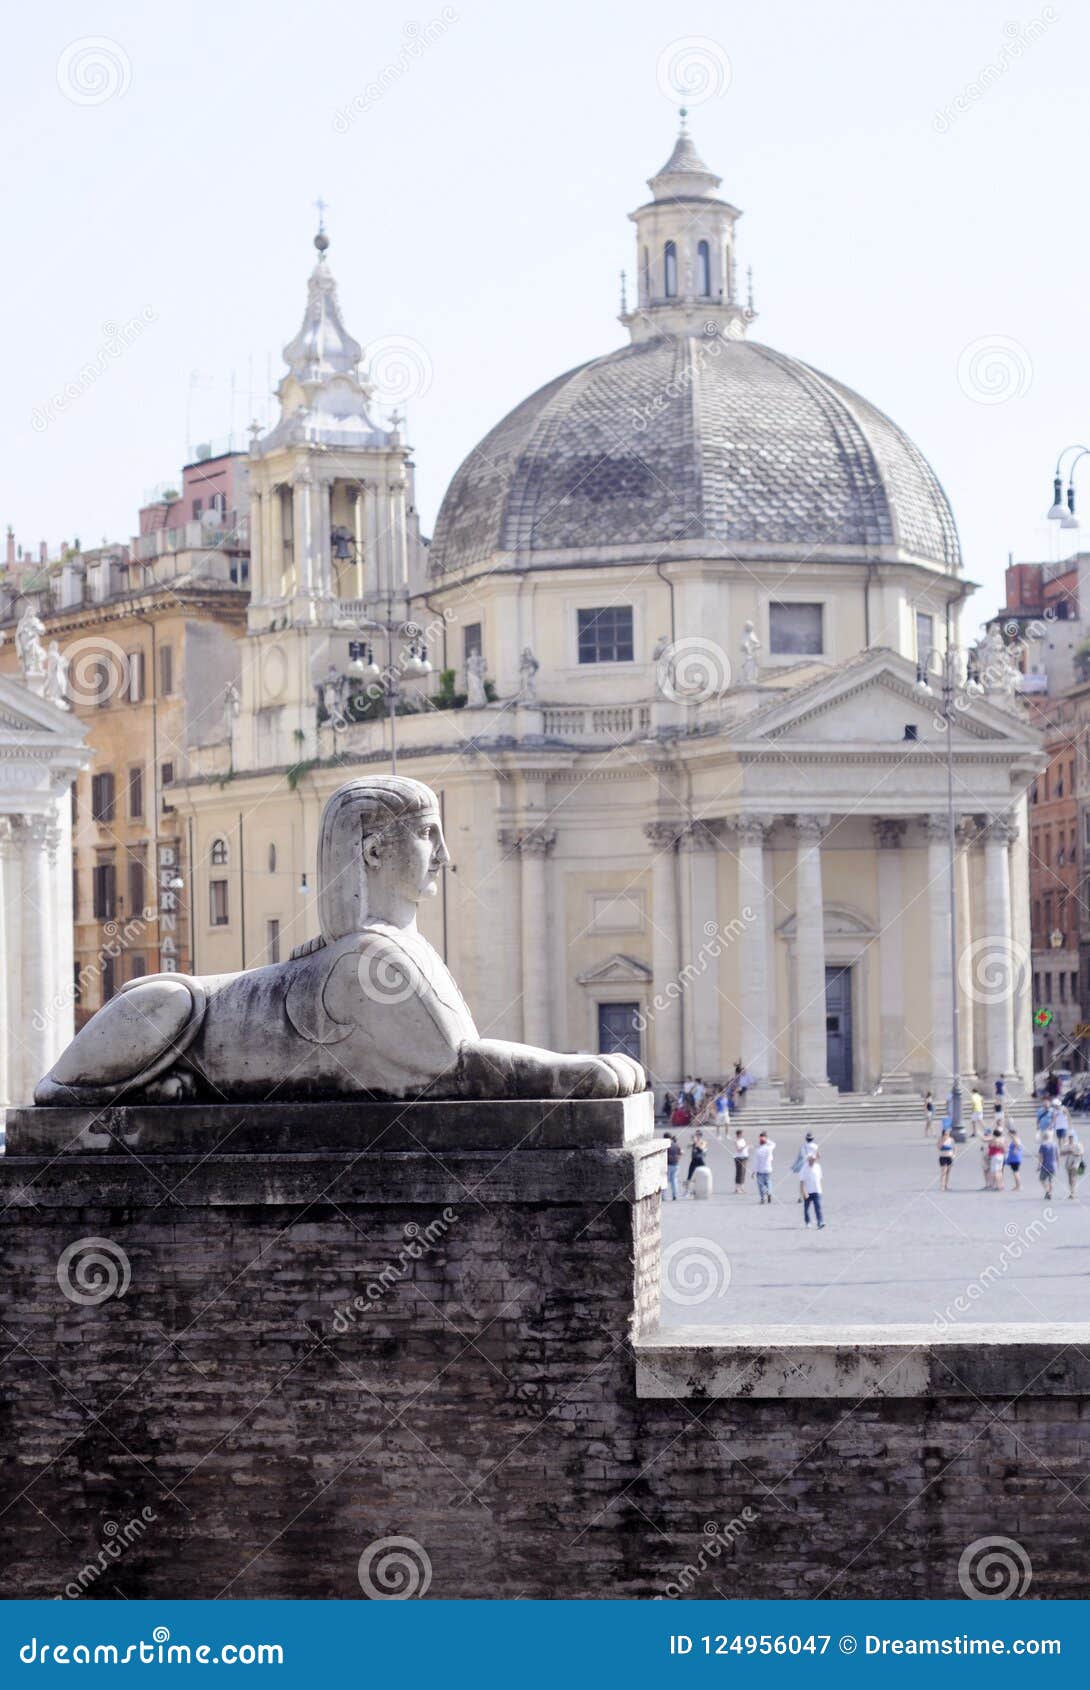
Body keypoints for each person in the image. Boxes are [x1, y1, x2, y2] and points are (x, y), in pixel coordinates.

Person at [801, 1152, 825, 1228]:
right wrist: (803, 1192)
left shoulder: (818, 1166)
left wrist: (820, 1190)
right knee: (806, 1208)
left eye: (814, 1159)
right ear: (808, 1159)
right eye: (811, 1159)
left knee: (818, 1207)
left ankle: (820, 1222)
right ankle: (808, 1221)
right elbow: (802, 1181)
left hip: (817, 1190)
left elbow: (819, 1178)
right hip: (808, 1191)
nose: (813, 1161)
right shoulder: (804, 1168)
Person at [753, 1132, 776, 1204]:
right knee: (769, 1182)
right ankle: (769, 1192)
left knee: (761, 1185)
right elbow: (774, 1144)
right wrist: (767, 1139)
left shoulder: (758, 1150)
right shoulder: (769, 1148)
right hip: (768, 1169)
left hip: (760, 1170)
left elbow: (756, 1162)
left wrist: (754, 1171)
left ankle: (762, 1198)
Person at [1062, 1131, 1084, 1200]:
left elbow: (1081, 1153)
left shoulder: (1078, 1144)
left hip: (1076, 1163)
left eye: (1072, 1137)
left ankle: (1073, 1193)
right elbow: (1061, 1153)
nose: (1070, 1138)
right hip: (1068, 1163)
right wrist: (1067, 1152)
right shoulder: (1066, 1145)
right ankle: (1072, 1192)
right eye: (1069, 1137)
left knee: (1073, 1178)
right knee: (1069, 1179)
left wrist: (1073, 1153)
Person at [1038, 1130, 1059, 1201]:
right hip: (1053, 1165)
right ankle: (1050, 1193)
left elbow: (1041, 1157)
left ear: (1044, 1136)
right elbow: (1057, 1156)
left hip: (1045, 1165)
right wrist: (1058, 1164)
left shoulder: (1043, 1145)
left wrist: (1039, 1166)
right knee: (1051, 1181)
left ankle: (1047, 1191)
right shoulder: (1054, 1144)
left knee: (1042, 1179)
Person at [686, 1129, 708, 1194]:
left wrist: (696, 1143)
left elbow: (702, 1149)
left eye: (698, 1135)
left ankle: (702, 1189)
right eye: (696, 1135)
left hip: (700, 1160)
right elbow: (688, 1147)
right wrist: (693, 1143)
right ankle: (687, 1190)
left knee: (703, 1174)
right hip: (694, 1160)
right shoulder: (694, 1143)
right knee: (689, 1175)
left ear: (700, 1136)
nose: (697, 1136)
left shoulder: (703, 1142)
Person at [732, 1129, 749, 1195]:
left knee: (743, 1173)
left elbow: (744, 1148)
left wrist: (748, 1147)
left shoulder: (742, 1140)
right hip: (739, 1158)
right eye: (741, 1134)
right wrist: (745, 1146)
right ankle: (737, 1188)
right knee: (739, 1173)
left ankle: (741, 1187)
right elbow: (738, 1149)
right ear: (738, 1134)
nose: (742, 1135)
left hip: (744, 1157)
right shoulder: (736, 1141)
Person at [665, 1135, 681, 1201]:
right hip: (676, 1165)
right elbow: (680, 1154)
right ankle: (675, 1195)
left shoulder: (667, 1146)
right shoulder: (676, 1145)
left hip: (668, 1165)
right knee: (674, 1181)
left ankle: (663, 1196)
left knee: (665, 1181)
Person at [938, 1126, 955, 1192]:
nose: (947, 1134)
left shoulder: (951, 1139)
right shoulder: (940, 1139)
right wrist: (943, 1141)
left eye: (948, 1133)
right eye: (946, 1133)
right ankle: (942, 1185)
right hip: (943, 1156)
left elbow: (954, 1148)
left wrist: (954, 1155)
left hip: (949, 1156)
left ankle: (946, 1185)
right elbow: (939, 1147)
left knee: (948, 1172)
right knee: (944, 1171)